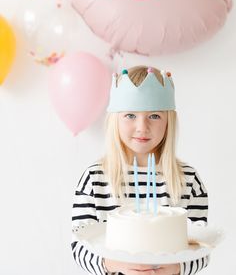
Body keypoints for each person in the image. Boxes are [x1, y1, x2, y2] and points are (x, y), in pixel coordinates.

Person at [71, 66, 209, 275]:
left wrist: (175, 268)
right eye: (130, 115)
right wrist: (116, 264)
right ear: (115, 119)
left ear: (168, 121)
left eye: (154, 116)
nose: (142, 127)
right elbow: (79, 246)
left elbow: (201, 247)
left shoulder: (188, 181)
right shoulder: (94, 178)